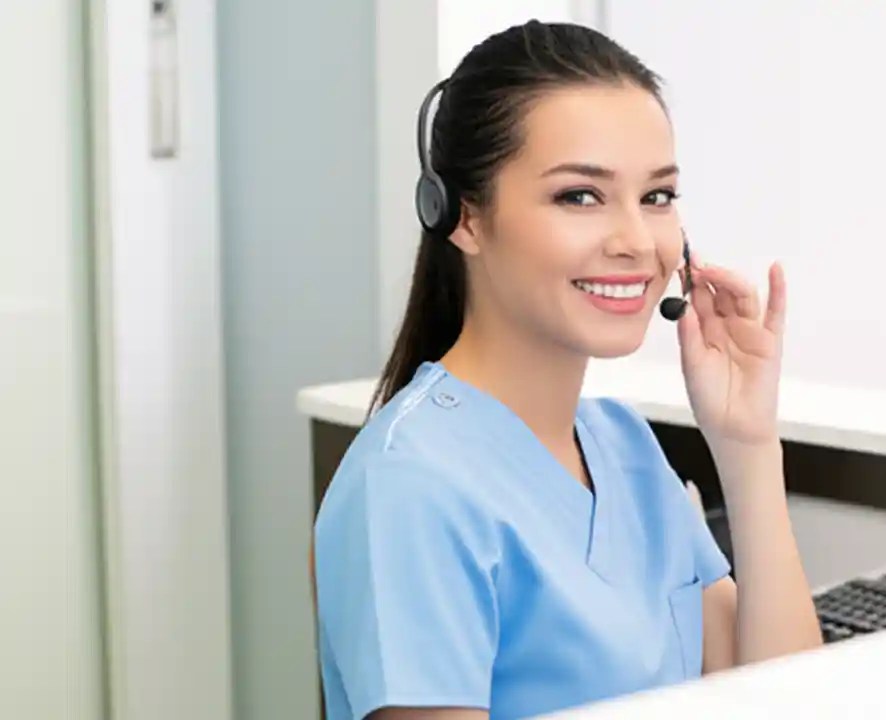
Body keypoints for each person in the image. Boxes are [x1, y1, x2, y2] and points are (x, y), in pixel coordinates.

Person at [312, 20, 822, 720]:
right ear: (463, 218)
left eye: (657, 197)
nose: (637, 242)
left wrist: (749, 448)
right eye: (580, 196)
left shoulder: (625, 447)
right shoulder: (408, 488)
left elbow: (782, 701)